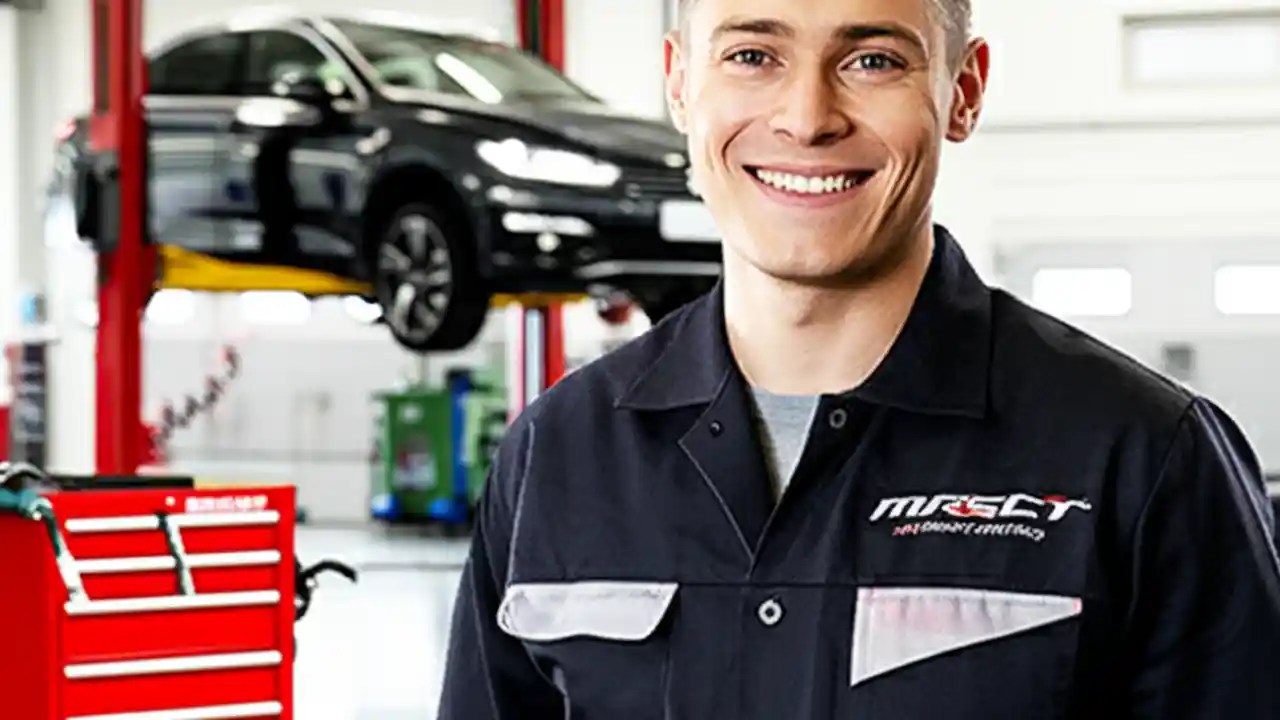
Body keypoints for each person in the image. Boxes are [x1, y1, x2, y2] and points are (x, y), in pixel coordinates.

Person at [437, 0, 1280, 716]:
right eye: (753, 55)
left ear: (964, 91)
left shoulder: (1144, 456)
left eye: (873, 59)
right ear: (680, 85)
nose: (807, 117)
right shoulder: (558, 453)